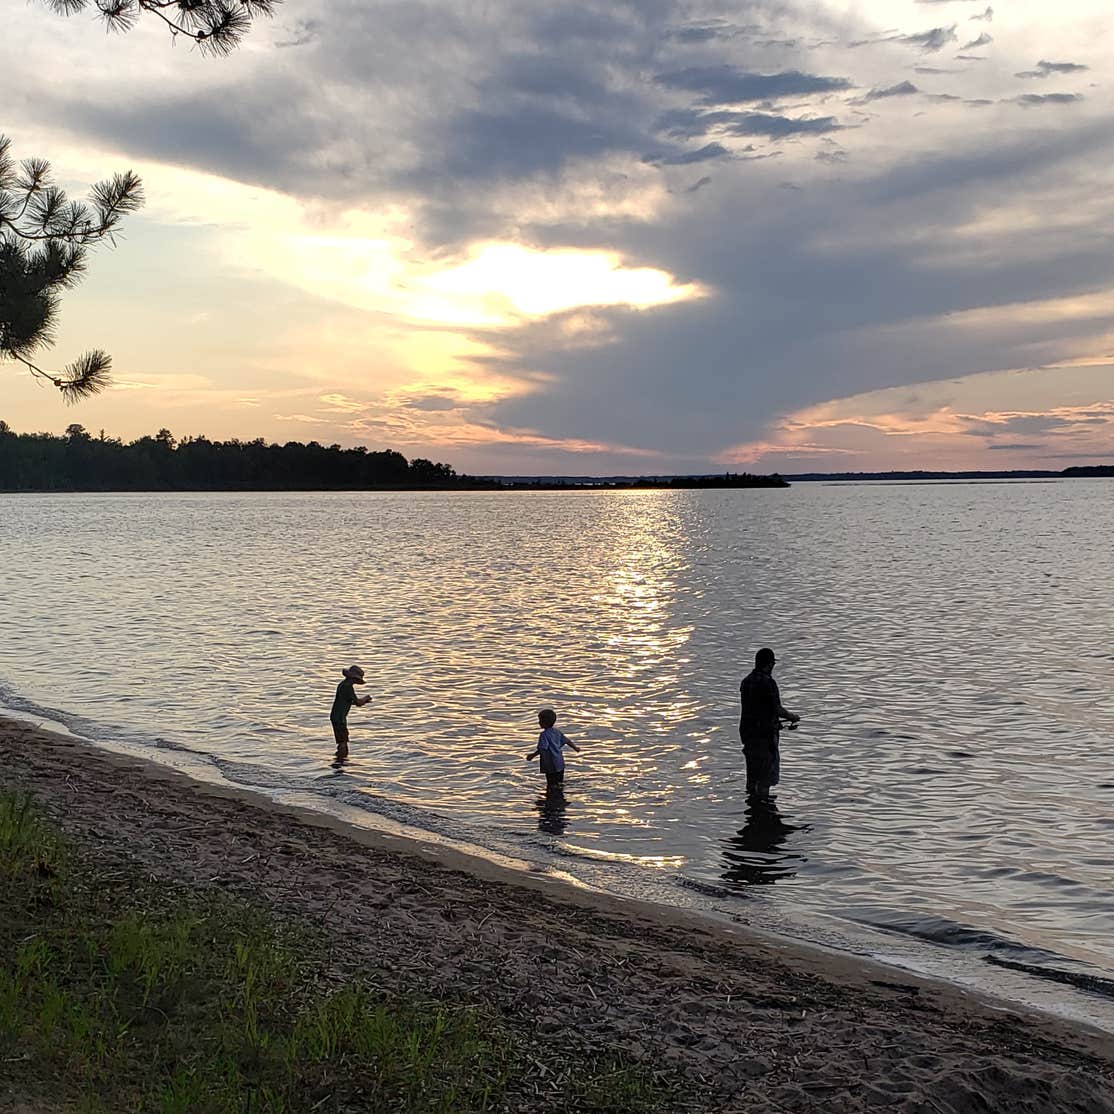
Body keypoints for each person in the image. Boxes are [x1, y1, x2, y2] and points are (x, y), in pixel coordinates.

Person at [739, 647, 799, 799]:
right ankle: (764, 813)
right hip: (765, 737)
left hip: (748, 735)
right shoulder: (769, 683)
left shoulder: (746, 682)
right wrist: (792, 717)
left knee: (752, 778)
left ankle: (753, 811)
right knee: (765, 780)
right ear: (770, 664)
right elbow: (777, 709)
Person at [525, 708, 580, 790]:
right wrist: (575, 748)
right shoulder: (557, 732)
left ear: (544, 722)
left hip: (550, 764)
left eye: (540, 720)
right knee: (559, 782)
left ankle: (552, 797)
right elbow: (567, 741)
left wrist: (532, 755)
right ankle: (559, 794)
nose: (538, 722)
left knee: (551, 784)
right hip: (559, 762)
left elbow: (543, 748)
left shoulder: (544, 735)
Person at [331, 665, 371, 759]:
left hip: (336, 716)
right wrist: (366, 699)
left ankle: (340, 760)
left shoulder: (342, 684)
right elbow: (357, 702)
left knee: (342, 740)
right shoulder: (348, 687)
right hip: (339, 717)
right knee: (343, 742)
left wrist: (362, 701)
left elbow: (347, 700)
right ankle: (341, 760)